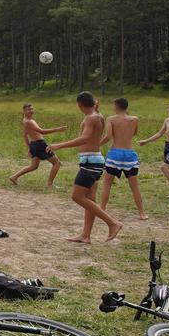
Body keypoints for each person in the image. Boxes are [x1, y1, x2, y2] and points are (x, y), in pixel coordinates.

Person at [47, 91, 126, 243]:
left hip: (91, 162)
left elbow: (85, 138)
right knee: (90, 199)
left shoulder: (91, 118)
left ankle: (113, 223)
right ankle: (86, 235)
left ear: (80, 105)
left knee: (77, 196)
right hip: (93, 160)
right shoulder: (97, 115)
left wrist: (59, 145)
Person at [98, 97, 148, 220]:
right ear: (127, 107)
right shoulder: (134, 119)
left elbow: (108, 136)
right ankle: (142, 213)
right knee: (134, 185)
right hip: (130, 154)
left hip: (115, 153)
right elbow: (134, 133)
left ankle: (102, 210)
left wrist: (96, 144)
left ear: (116, 106)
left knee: (107, 184)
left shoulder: (111, 119)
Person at [8, 103, 65, 189]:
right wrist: (58, 129)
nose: (31, 111)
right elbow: (42, 132)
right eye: (29, 109)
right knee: (57, 163)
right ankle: (50, 184)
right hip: (39, 144)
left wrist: (30, 148)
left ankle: (14, 177)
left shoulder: (25, 120)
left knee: (33, 166)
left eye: (32, 109)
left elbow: (25, 135)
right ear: (24, 111)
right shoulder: (29, 121)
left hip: (34, 145)